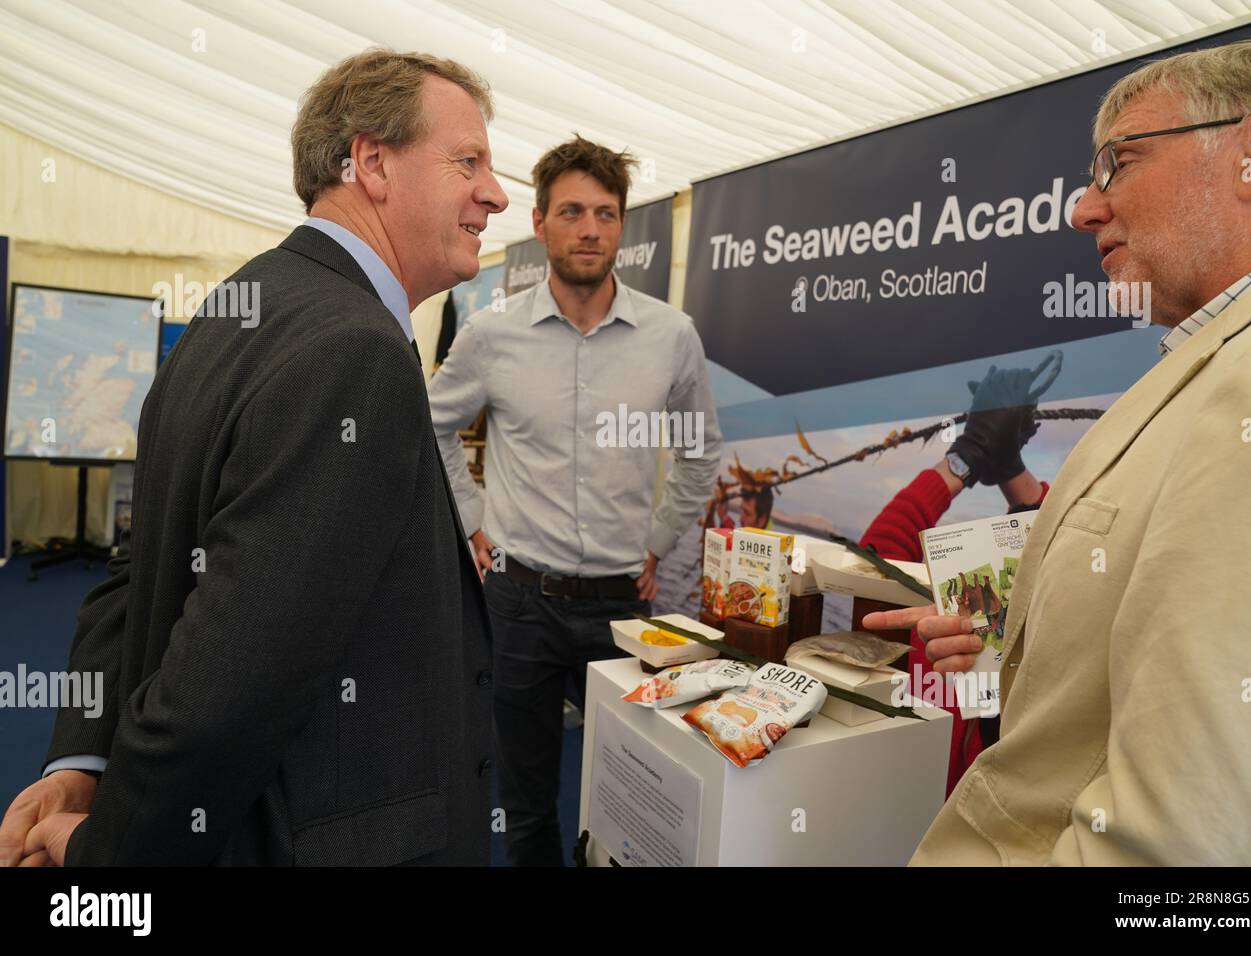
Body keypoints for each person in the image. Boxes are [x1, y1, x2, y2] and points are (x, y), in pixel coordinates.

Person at [0, 49, 509, 866]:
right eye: (469, 161)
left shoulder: (234, 311)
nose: (496, 192)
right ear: (371, 162)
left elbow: (137, 572)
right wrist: (111, 852)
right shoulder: (355, 350)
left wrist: (82, 763)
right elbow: (232, 677)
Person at [869, 35, 1251, 864]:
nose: (1082, 208)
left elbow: (1191, 848)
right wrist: (1016, 652)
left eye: (1119, 163)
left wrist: (964, 465)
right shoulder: (1217, 365)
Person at [427, 135, 722, 866]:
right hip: (518, 604)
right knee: (527, 806)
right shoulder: (493, 336)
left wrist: (658, 540)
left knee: (635, 799)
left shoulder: (671, 337)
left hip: (621, 609)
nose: (589, 228)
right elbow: (427, 423)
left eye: (605, 213)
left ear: (622, 225)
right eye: (571, 212)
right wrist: (470, 522)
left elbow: (699, 448)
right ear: (539, 222)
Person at [858, 359, 1051, 796]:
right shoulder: (961, 627)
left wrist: (966, 458)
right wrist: (1004, 466)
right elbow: (878, 564)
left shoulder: (986, 646)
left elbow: (874, 565)